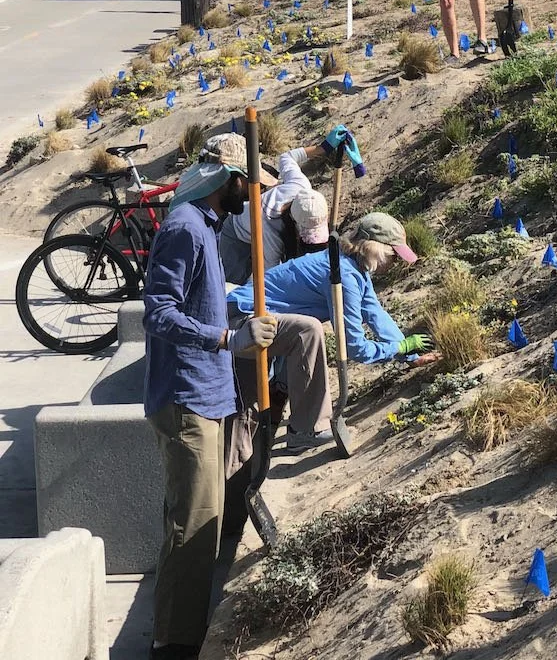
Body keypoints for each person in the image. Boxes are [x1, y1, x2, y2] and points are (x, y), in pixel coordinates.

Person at [142, 132, 277, 659]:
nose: (254, 193)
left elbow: (201, 303)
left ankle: (186, 633)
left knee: (205, 521)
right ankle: (173, 644)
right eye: (250, 184)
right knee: (192, 526)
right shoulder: (184, 228)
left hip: (209, 393)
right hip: (186, 399)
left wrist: (237, 323)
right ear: (230, 180)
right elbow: (160, 313)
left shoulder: (207, 226)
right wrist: (225, 339)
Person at [227, 213, 434, 365]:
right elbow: (354, 348)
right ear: (375, 248)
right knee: (307, 339)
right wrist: (399, 347)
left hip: (256, 317)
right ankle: (313, 425)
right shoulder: (343, 276)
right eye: (393, 255)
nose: (395, 262)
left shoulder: (352, 266)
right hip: (245, 319)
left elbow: (374, 313)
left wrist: (410, 356)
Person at [219, 139, 332, 284]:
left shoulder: (301, 185)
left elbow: (287, 157)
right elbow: (269, 276)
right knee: (236, 283)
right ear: (293, 220)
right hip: (236, 234)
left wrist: (323, 147)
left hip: (258, 225)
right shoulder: (270, 227)